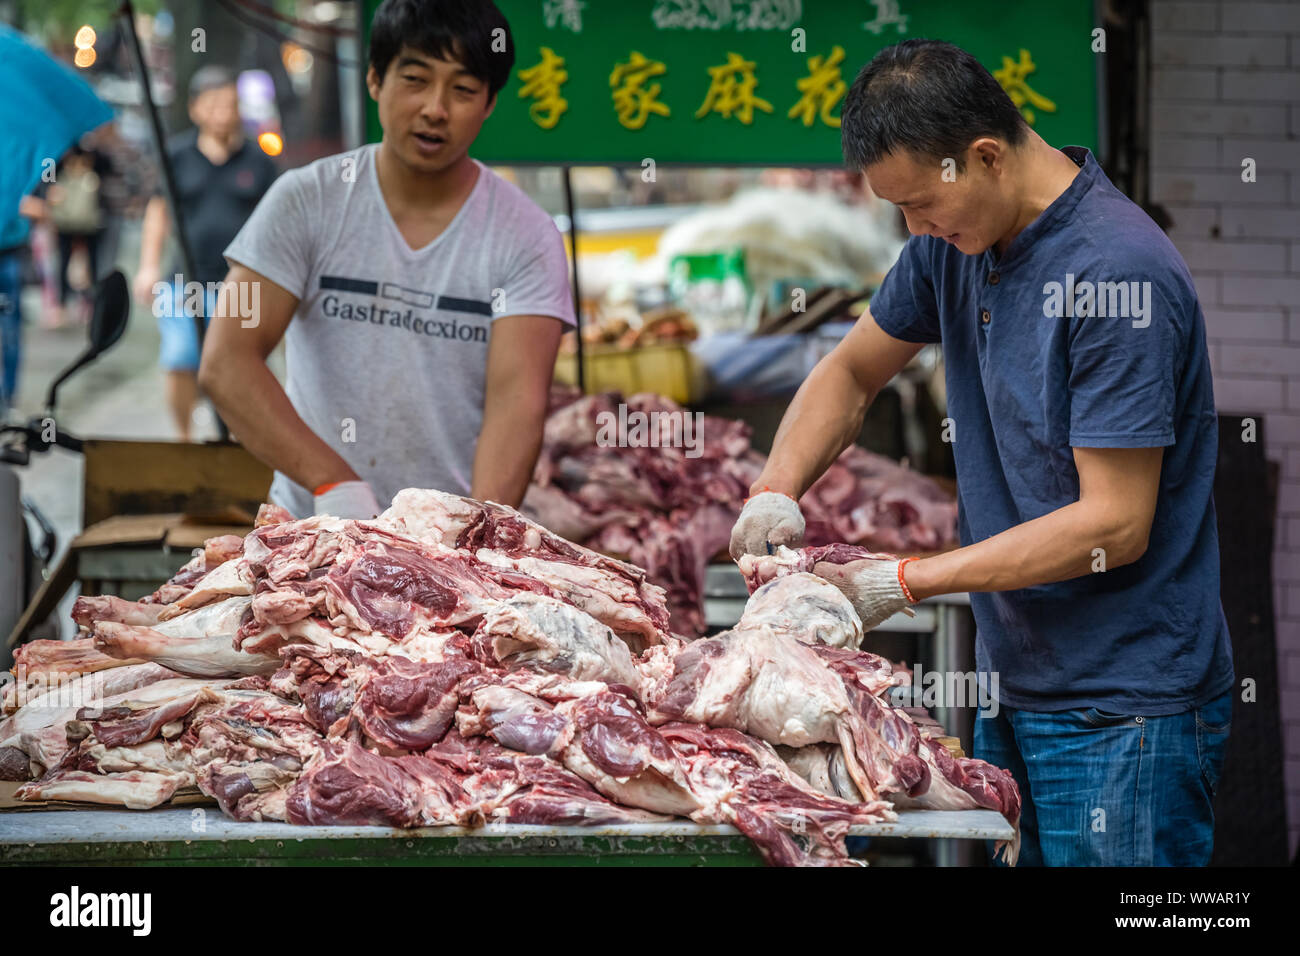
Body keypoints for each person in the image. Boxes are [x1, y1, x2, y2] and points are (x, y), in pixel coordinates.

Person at [729, 39, 1233, 867]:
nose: (915, 230)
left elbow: (1114, 522)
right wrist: (774, 487)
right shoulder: (951, 246)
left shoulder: (1117, 276)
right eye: (900, 211)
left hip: (1125, 709)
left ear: (986, 157)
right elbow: (852, 372)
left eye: (924, 206)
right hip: (1019, 682)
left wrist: (904, 580)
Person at [198, 0, 574, 519]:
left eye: (463, 90)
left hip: (451, 540)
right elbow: (227, 362)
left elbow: (517, 403)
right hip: (311, 535)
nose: (435, 109)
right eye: (415, 79)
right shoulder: (304, 200)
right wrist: (331, 481)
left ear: (488, 104)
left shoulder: (528, 236)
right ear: (375, 79)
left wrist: (470, 538)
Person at [134, 66, 277, 441]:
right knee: (181, 357)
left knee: (237, 368)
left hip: (241, 288)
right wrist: (148, 267)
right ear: (195, 108)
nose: (223, 113)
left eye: (230, 104)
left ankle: (233, 441)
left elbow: (278, 223)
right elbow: (158, 211)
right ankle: (184, 441)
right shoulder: (176, 156)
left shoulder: (258, 162)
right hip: (184, 282)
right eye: (213, 104)